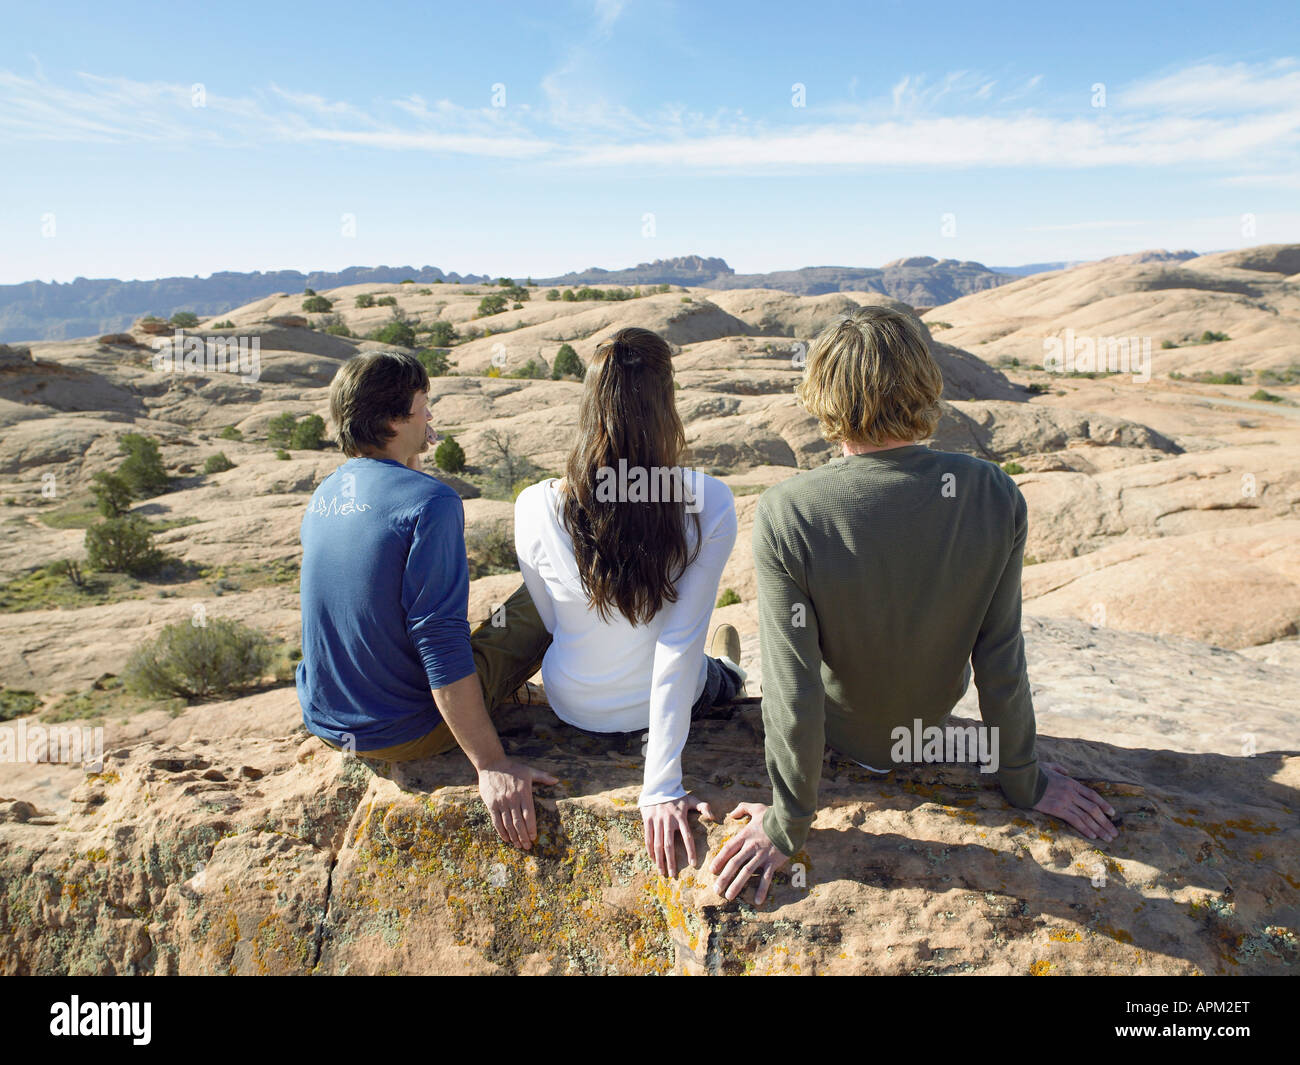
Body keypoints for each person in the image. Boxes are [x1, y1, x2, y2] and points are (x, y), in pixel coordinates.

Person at [710, 307, 1120, 904]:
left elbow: (793, 688)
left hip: (844, 736)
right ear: (925, 385)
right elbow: (1000, 653)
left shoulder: (789, 510)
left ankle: (722, 671)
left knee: (746, 672)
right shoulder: (992, 491)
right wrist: (1024, 781)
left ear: (822, 395)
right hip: (931, 727)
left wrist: (787, 821)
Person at [296, 350, 557, 853]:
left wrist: (408, 460)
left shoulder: (327, 493)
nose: (431, 417)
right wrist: (492, 764)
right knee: (548, 589)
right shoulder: (432, 502)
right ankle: (685, 681)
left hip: (327, 718)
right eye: (423, 405)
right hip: (404, 731)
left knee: (487, 625)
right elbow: (437, 636)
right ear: (394, 419)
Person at [513, 327, 746, 877]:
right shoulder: (708, 500)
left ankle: (727, 664)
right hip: (670, 696)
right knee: (716, 674)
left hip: (573, 702)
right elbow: (676, 642)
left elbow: (549, 620)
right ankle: (733, 670)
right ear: (666, 408)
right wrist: (659, 783)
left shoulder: (534, 505)